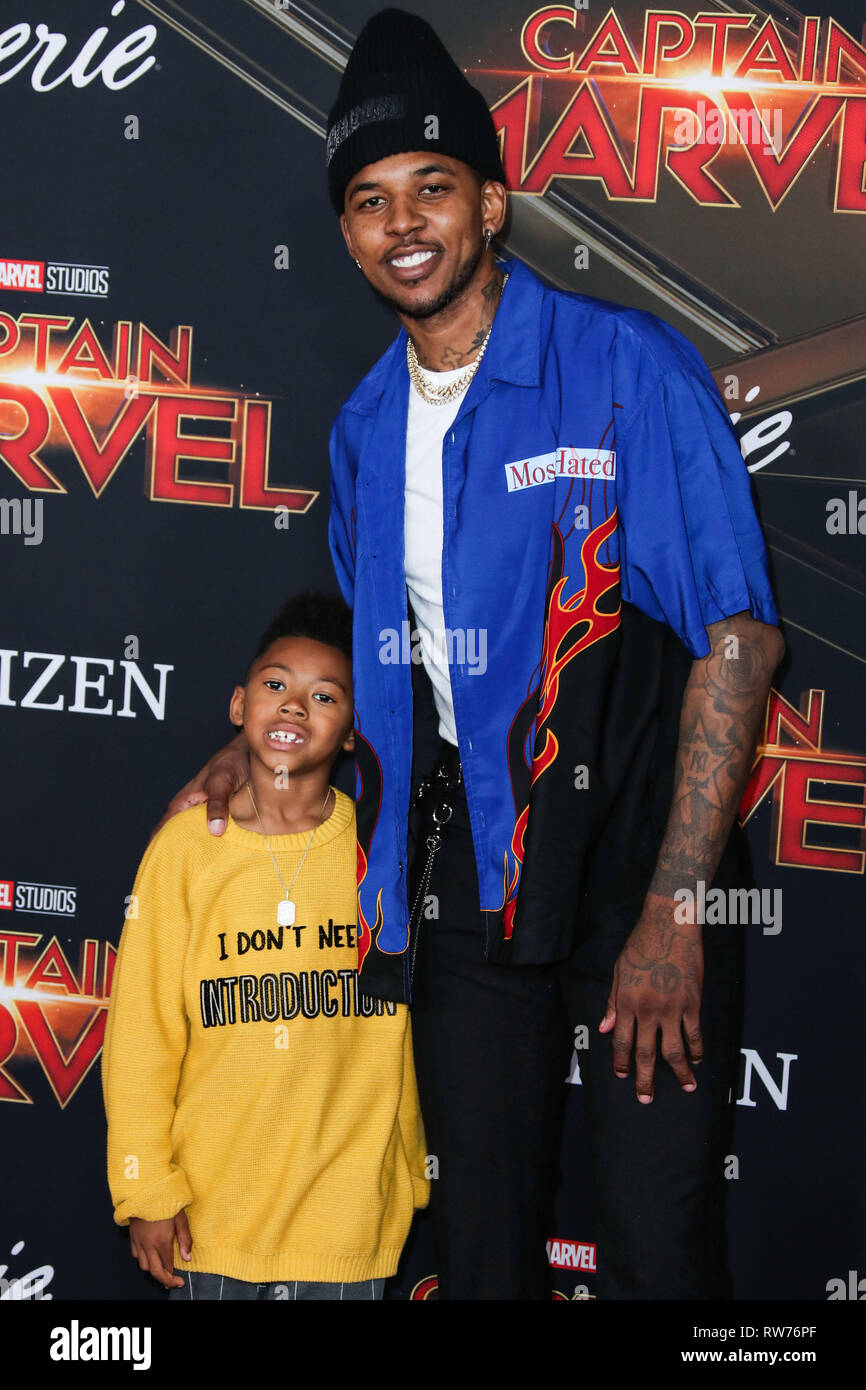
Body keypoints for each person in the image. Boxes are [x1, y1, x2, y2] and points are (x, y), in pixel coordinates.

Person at [166, 10, 784, 1299]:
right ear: (345, 233)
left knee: (662, 1247)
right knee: (479, 1245)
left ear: (491, 204)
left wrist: (674, 907)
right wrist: (248, 744)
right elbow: (368, 656)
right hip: (467, 878)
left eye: (431, 189)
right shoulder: (361, 431)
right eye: (370, 200)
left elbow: (735, 636)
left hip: (635, 872)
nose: (402, 224)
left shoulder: (624, 369)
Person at [102, 590, 429, 1301]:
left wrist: (403, 1172)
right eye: (275, 685)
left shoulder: (385, 849)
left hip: (348, 1224)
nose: (292, 705)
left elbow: (398, 1031)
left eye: (324, 696)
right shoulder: (184, 853)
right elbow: (140, 1036)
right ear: (237, 705)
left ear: (351, 733)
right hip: (212, 1223)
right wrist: (144, 1185)